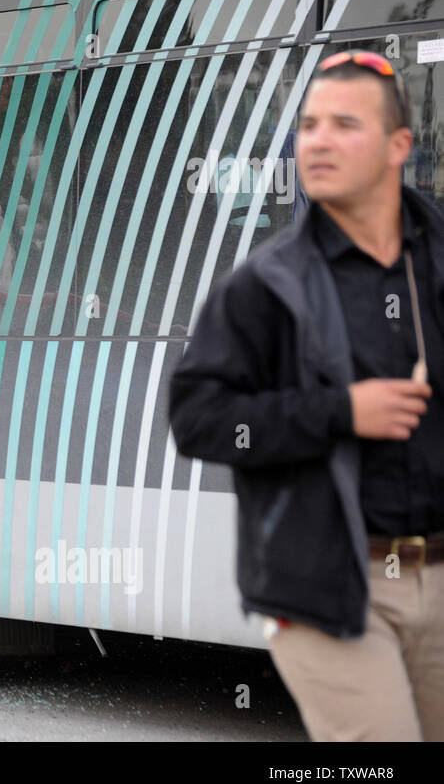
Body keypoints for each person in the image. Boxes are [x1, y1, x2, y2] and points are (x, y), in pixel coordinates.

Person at [169, 50, 443, 741]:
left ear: (398, 147)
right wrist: (341, 412)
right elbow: (200, 419)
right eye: (310, 124)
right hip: (327, 588)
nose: (317, 140)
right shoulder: (264, 284)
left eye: (344, 124)